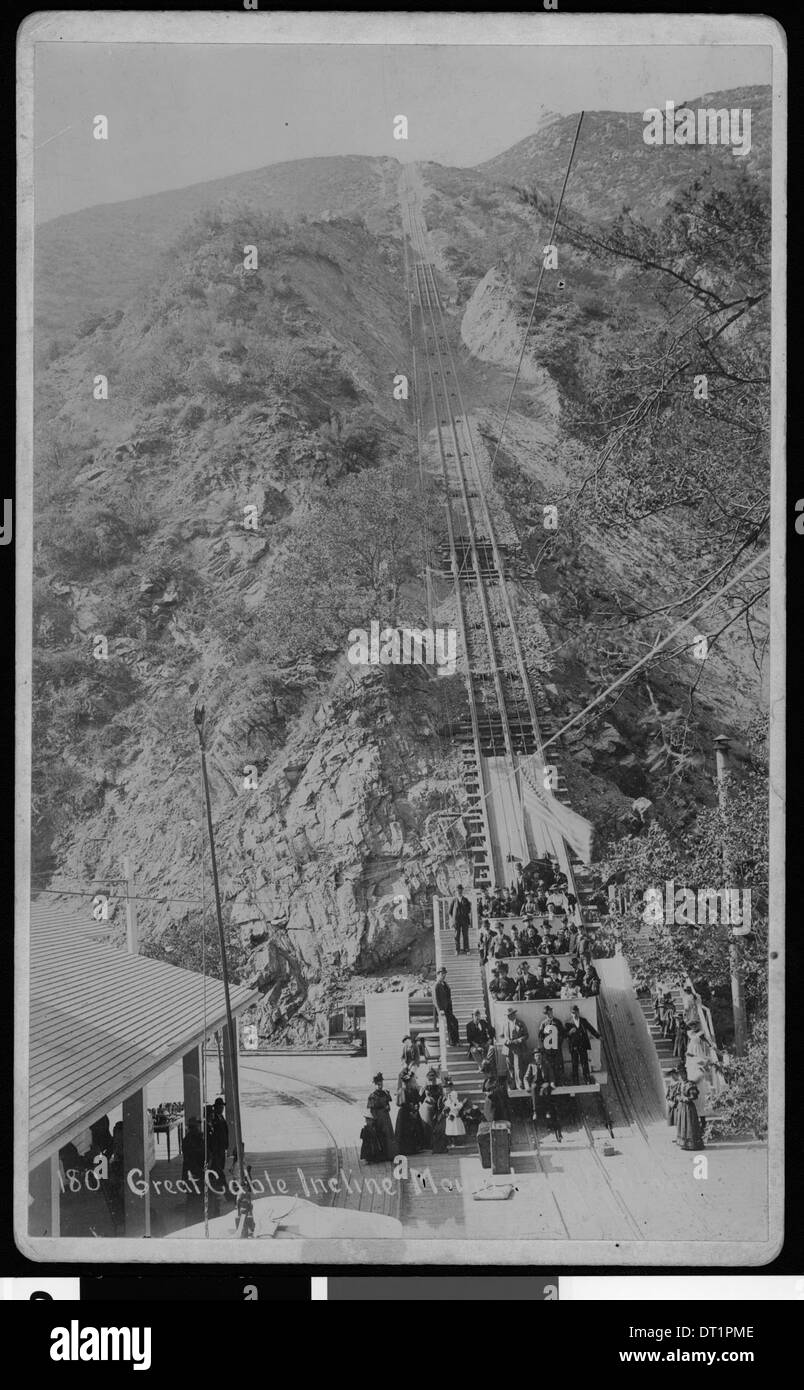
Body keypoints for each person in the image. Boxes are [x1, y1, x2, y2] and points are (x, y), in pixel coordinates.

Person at [565, 1005, 600, 1084]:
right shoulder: (568, 1023)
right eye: (573, 1013)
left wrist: (598, 1036)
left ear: (578, 1012)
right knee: (575, 1064)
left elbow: (591, 1029)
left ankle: (587, 1079)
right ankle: (575, 1081)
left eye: (576, 1012)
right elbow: (565, 1035)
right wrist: (569, 1032)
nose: (575, 1014)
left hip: (583, 1045)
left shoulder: (583, 1020)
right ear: (571, 1013)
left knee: (584, 1063)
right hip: (574, 1046)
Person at [367, 1073, 398, 1160]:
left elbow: (388, 1104)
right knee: (380, 1134)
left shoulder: (385, 1093)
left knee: (388, 1134)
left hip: (386, 1117)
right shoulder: (372, 1096)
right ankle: (381, 1155)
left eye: (381, 1084)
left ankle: (390, 1154)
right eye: (378, 1085)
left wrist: (388, 1107)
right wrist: (374, 1119)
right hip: (378, 1117)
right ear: (375, 1085)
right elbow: (372, 1109)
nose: (380, 1086)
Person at [207, 1097, 231, 1204]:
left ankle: (214, 1194)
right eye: (219, 1107)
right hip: (216, 1151)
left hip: (221, 1150)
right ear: (215, 1107)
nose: (221, 1109)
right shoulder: (214, 1120)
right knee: (219, 1173)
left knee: (217, 1172)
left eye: (222, 1107)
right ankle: (228, 1195)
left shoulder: (221, 1117)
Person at [181, 1117, 206, 1220]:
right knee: (194, 1199)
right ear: (194, 1128)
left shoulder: (192, 1138)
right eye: (197, 1126)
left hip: (193, 1172)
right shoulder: (192, 1140)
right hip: (194, 1173)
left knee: (193, 1198)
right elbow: (194, 1157)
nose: (199, 1128)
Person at [501, 1006, 529, 1089]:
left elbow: (526, 1035)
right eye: (507, 1015)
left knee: (518, 1068)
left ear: (514, 1015)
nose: (508, 1017)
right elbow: (502, 1036)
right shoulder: (505, 1024)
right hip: (508, 1049)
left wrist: (518, 1040)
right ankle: (512, 1085)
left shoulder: (521, 1023)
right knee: (510, 1068)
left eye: (510, 1015)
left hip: (518, 1048)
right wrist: (506, 1040)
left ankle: (519, 1085)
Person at [675, 1072, 703, 1151]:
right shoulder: (679, 1084)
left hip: (689, 1107)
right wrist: (680, 1098)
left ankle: (693, 1144)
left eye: (683, 1074)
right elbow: (676, 1094)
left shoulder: (690, 1084)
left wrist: (688, 1098)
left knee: (690, 1124)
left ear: (686, 1074)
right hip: (682, 1107)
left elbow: (694, 1096)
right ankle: (684, 1144)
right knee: (683, 1124)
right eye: (680, 1074)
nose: (682, 1076)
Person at [433, 967, 460, 1045]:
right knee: (451, 1023)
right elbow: (436, 1000)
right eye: (442, 974)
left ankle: (455, 1041)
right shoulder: (436, 985)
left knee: (454, 1022)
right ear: (438, 974)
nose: (444, 975)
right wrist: (440, 1010)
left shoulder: (445, 984)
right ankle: (452, 1041)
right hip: (443, 1009)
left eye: (444, 974)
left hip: (448, 1008)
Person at [538, 1007, 565, 1083]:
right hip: (548, 1048)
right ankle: (551, 1081)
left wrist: (559, 1042)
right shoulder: (543, 1023)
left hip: (557, 1047)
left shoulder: (557, 1022)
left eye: (550, 1012)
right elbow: (540, 1036)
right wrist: (543, 1046)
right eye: (547, 1013)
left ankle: (560, 1081)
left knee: (558, 1064)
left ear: (552, 1012)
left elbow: (562, 1033)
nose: (549, 1014)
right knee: (549, 1065)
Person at [419, 1069, 444, 1148]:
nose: (432, 1078)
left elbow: (441, 1095)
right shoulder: (425, 1085)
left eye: (433, 1076)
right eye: (430, 1076)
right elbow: (420, 1096)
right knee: (428, 1125)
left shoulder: (439, 1085)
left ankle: (437, 1143)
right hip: (429, 1106)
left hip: (437, 1105)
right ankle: (429, 1144)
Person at [442, 1076, 466, 1147]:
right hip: (450, 1112)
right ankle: (452, 1141)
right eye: (446, 1088)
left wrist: (454, 1111)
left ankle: (456, 1141)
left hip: (453, 1112)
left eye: (448, 1087)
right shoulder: (447, 1096)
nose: (447, 1089)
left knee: (455, 1127)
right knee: (451, 1128)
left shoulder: (453, 1094)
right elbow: (448, 1104)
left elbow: (455, 1105)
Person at [450, 884, 472, 954]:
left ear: (462, 891)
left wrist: (464, 914)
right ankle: (457, 950)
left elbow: (469, 909)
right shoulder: (454, 900)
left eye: (460, 890)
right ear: (456, 891)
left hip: (464, 920)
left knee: (465, 935)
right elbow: (450, 911)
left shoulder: (465, 900)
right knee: (457, 936)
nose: (459, 891)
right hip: (457, 921)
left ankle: (466, 949)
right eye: (458, 890)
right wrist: (455, 918)